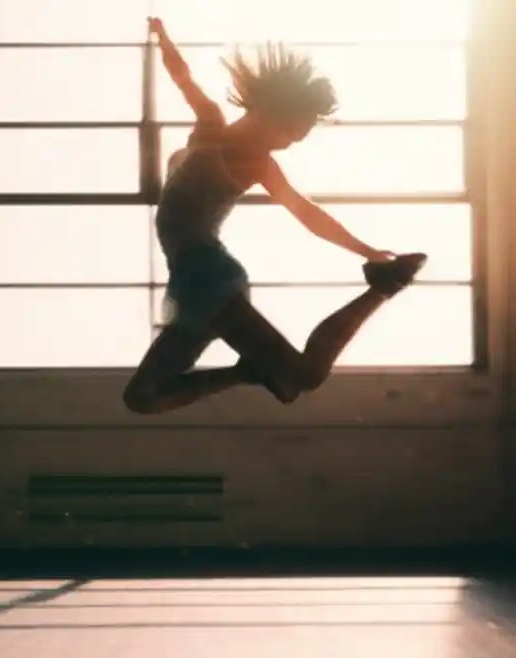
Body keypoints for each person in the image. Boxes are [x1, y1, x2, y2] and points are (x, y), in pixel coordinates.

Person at [123, 17, 427, 415]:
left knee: (303, 376)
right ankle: (246, 373)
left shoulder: (259, 164)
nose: (286, 145)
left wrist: (368, 251)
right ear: (270, 114)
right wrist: (162, 40)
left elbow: (307, 213)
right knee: (142, 397)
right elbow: (183, 78)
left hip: (208, 279)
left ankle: (384, 286)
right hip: (189, 283)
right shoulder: (212, 127)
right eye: (289, 134)